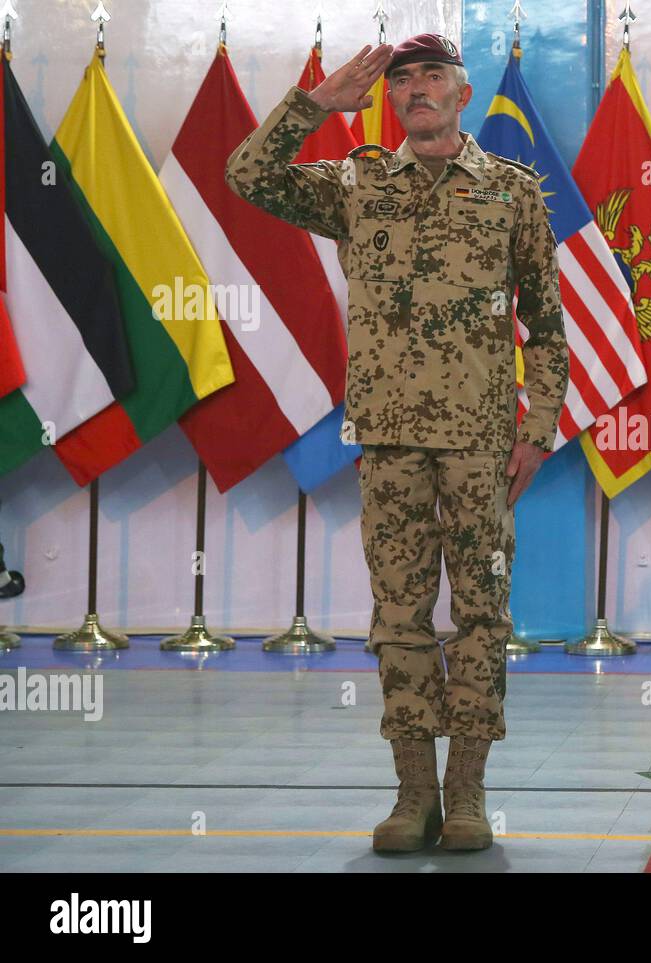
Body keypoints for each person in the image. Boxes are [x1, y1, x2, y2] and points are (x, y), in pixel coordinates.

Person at [226, 35, 568, 853]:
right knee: (400, 618)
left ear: (462, 93)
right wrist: (315, 104)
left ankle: (468, 792)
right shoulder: (360, 183)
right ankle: (414, 792)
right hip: (388, 442)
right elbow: (247, 176)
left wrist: (539, 428)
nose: (416, 89)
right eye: (403, 79)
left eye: (432, 76)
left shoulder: (512, 191)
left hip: (480, 444)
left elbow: (548, 325)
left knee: (481, 616)